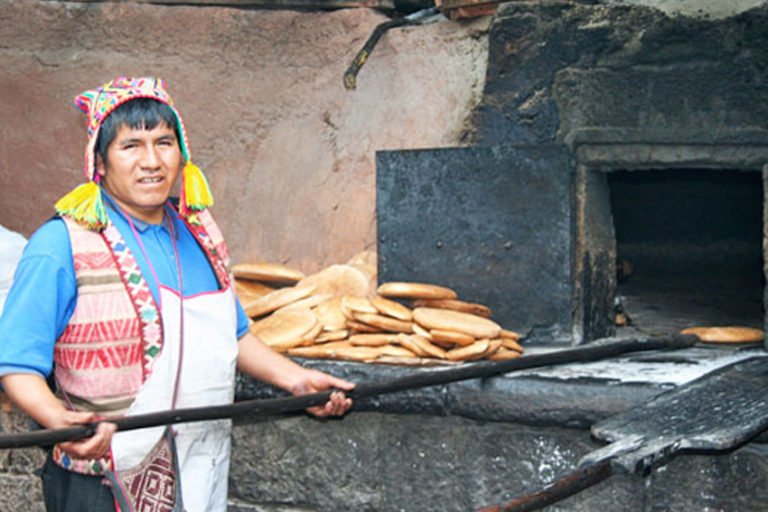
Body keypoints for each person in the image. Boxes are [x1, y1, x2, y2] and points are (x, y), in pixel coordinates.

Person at [0, 77, 354, 512]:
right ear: (101, 162)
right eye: (131, 146)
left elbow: (232, 333)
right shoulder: (62, 245)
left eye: (164, 142)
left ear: (181, 153)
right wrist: (56, 419)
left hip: (200, 467)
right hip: (103, 481)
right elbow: (16, 362)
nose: (152, 161)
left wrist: (297, 380)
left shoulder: (199, 231)